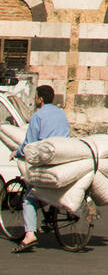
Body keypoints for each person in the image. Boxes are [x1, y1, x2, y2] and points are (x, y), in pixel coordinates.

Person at [13, 85, 71, 253]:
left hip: (46, 160)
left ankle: (30, 234)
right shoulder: (61, 114)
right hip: (63, 158)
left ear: (40, 99)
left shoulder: (38, 116)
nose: (35, 99)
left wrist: (17, 153)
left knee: (29, 197)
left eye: (36, 97)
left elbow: (29, 143)